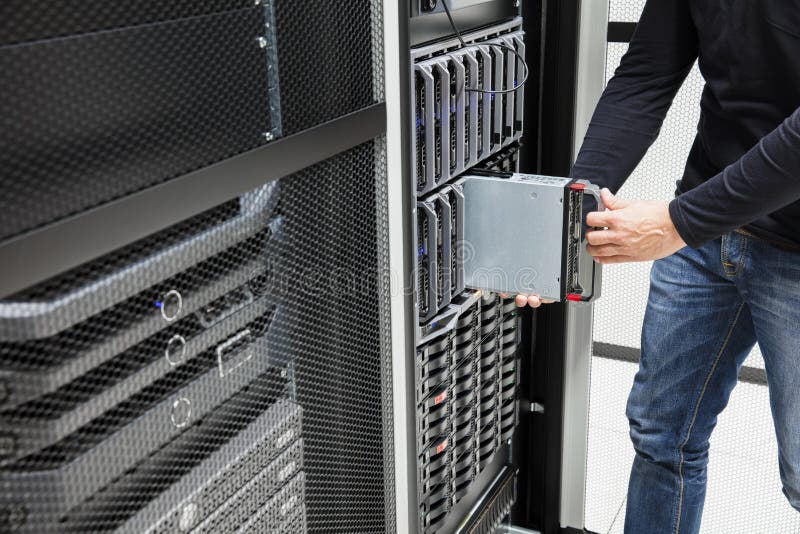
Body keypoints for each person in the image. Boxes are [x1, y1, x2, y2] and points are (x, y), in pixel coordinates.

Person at [514, 1, 800, 532]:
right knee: (661, 438)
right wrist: (570, 219)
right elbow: (645, 77)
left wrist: (676, 224)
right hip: (706, 232)